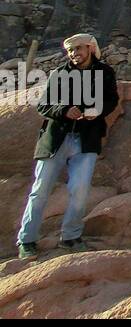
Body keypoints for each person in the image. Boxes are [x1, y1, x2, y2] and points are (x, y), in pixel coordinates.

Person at [16, 33, 120, 259]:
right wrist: (64, 110)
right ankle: (27, 240)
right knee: (40, 191)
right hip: (56, 140)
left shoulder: (105, 73)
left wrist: (97, 112)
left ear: (90, 48)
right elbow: (43, 106)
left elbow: (112, 100)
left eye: (78, 49)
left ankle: (70, 237)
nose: (74, 54)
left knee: (80, 190)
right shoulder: (59, 74)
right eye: (71, 50)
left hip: (86, 140)